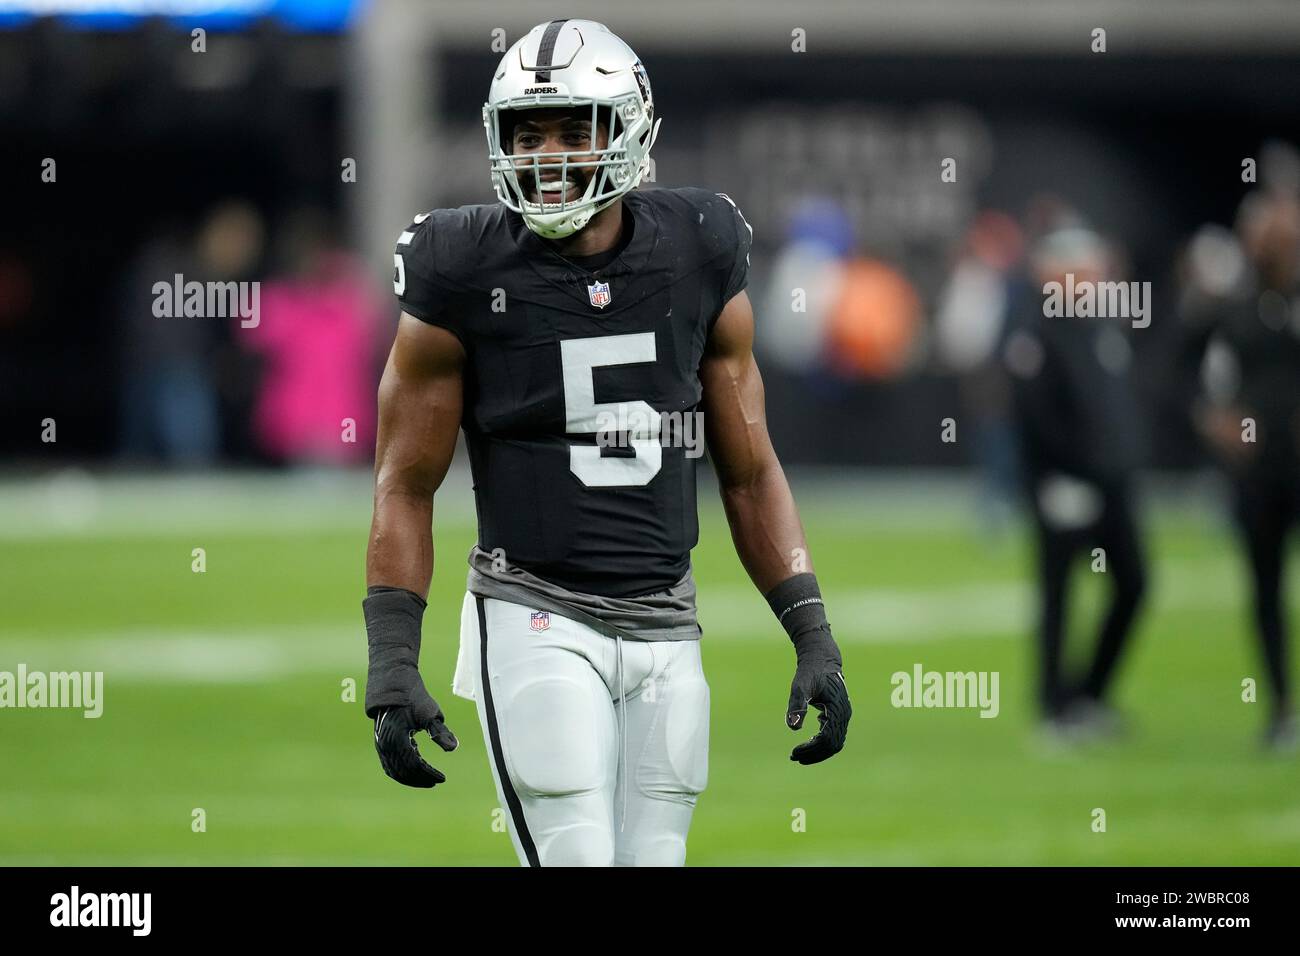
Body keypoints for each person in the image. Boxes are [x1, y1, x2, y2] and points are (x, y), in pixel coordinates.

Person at [362, 19, 851, 866]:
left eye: (570, 129)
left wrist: (809, 627)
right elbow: (405, 482)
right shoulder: (461, 265)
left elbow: (748, 469)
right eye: (526, 132)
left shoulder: (698, 245)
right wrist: (391, 658)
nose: (544, 154)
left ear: (629, 130)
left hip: (668, 622)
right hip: (534, 611)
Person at [1004, 225, 1148, 737]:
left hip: (1111, 482)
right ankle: (1054, 706)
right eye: (1084, 271)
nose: (1096, 279)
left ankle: (1089, 694)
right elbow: (1035, 415)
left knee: (1134, 585)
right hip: (1063, 483)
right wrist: (1057, 475)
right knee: (1058, 594)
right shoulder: (1035, 329)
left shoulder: (1100, 326)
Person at [1182, 192, 1300, 749]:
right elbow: (1173, 371)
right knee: (1266, 588)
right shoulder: (1232, 306)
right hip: (1259, 473)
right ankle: (1279, 709)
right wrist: (1211, 418)